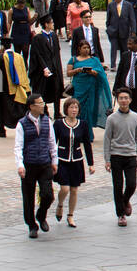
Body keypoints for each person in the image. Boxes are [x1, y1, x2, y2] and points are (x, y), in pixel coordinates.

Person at [14, 93, 57, 239]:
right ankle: (32, 225)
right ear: (32, 106)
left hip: (44, 163)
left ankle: (41, 214)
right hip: (29, 164)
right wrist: (20, 165)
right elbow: (18, 146)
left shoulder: (47, 121)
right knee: (28, 196)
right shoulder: (22, 123)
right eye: (40, 103)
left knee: (48, 194)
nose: (43, 105)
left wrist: (54, 161)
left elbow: (52, 142)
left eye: (43, 102)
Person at [49, 97, 93, 231]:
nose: (74, 110)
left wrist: (91, 163)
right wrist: (51, 160)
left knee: (74, 189)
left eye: (76, 107)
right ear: (66, 109)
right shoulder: (58, 124)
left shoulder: (83, 124)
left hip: (77, 161)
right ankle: (60, 204)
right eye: (71, 107)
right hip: (62, 160)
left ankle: (70, 215)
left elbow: (86, 143)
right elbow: (52, 143)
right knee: (65, 188)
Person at [104, 87, 137, 227]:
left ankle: (125, 200)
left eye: (126, 98)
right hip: (116, 155)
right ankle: (120, 214)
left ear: (130, 100)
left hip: (131, 155)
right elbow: (107, 139)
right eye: (121, 98)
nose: (123, 101)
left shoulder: (136, 117)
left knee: (132, 184)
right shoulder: (111, 118)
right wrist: (107, 159)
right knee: (118, 185)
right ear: (118, 100)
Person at [66, 38, 111, 131]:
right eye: (84, 48)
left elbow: (100, 73)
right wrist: (77, 70)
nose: (86, 50)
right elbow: (68, 73)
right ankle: (77, 130)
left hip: (90, 89)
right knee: (77, 108)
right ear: (79, 49)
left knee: (89, 110)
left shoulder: (94, 60)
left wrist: (91, 72)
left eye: (88, 48)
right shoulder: (73, 60)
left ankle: (87, 132)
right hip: (78, 88)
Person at [28, 14, 65, 119]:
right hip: (42, 71)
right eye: (51, 22)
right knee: (42, 91)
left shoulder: (53, 36)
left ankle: (57, 112)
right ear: (46, 24)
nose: (53, 24)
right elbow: (37, 55)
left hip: (54, 68)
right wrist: (44, 68)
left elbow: (56, 53)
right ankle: (44, 112)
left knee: (56, 90)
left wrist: (57, 67)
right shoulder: (38, 38)